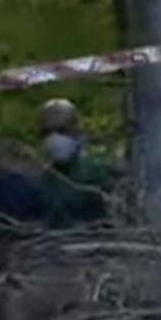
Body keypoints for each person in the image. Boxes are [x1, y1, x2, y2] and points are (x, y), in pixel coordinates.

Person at [36, 98, 115, 228]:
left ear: (75, 131)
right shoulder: (45, 179)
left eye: (62, 131)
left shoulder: (98, 172)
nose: (54, 139)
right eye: (47, 132)